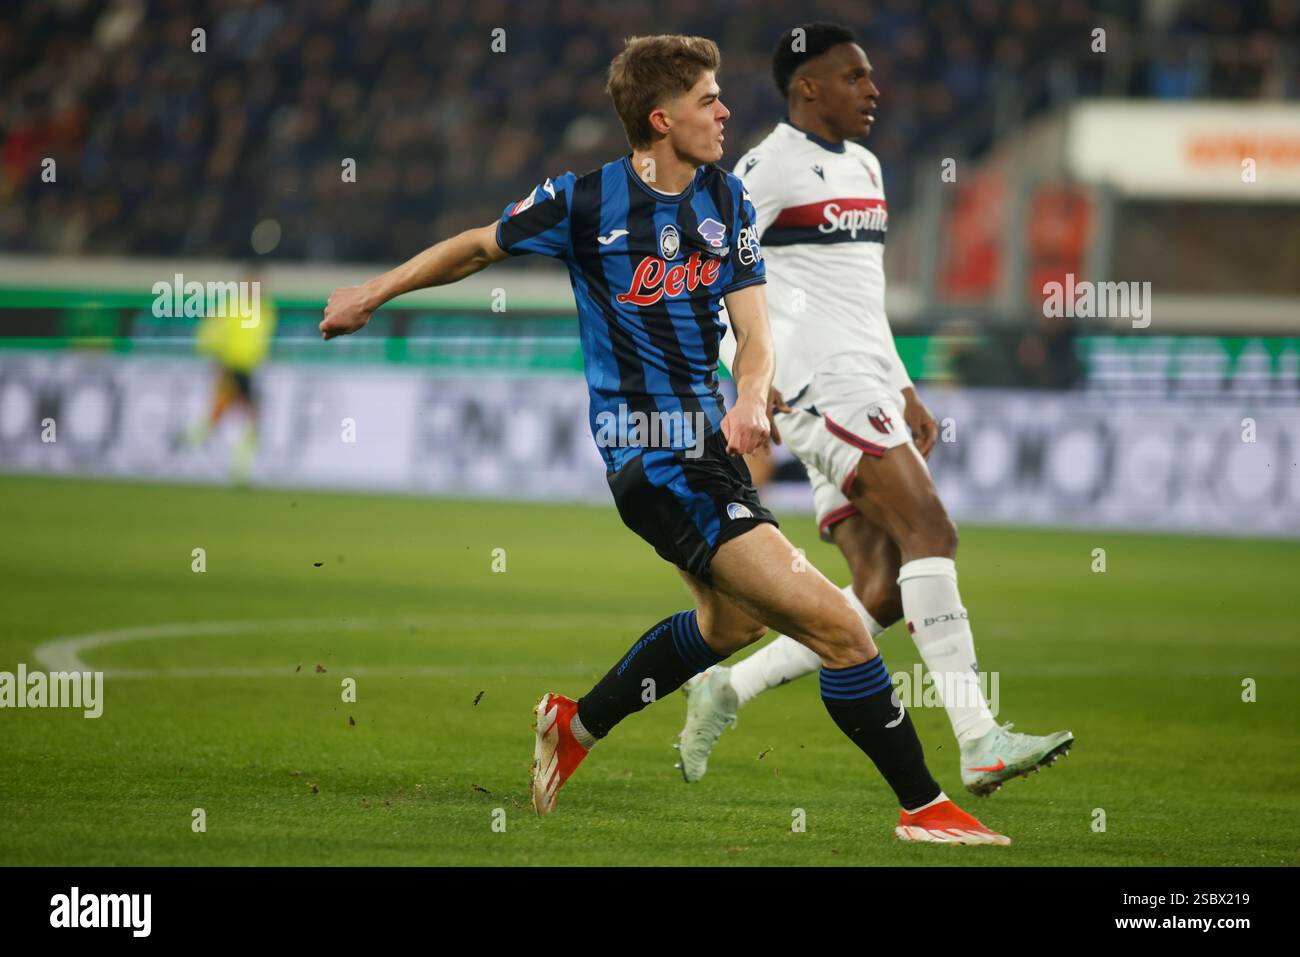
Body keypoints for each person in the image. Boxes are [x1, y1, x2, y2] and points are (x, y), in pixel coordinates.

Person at [320, 34, 1008, 844]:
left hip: (706, 448)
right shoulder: (583, 202)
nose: (724, 111)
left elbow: (754, 332)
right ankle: (923, 807)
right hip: (650, 454)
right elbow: (476, 246)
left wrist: (753, 395)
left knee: (730, 628)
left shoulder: (725, 201)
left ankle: (575, 725)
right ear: (660, 118)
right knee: (843, 627)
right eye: (707, 100)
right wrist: (374, 291)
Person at [678, 23, 1072, 797]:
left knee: (882, 588)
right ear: (808, 87)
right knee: (933, 529)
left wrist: (903, 383)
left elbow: (864, 293)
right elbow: (706, 278)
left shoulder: (866, 165)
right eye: (854, 77)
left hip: (865, 381)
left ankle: (728, 687)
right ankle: (978, 738)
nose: (874, 90)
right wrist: (749, 377)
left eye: (871, 76)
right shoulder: (765, 168)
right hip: (816, 385)